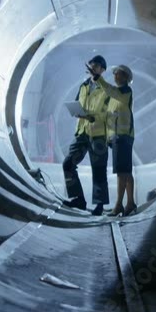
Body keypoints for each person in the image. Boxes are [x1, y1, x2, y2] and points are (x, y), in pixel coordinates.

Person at [62, 55, 112, 214]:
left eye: (96, 66)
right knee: (68, 164)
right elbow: (78, 103)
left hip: (98, 134)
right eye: (91, 64)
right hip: (82, 132)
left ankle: (99, 206)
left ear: (103, 70)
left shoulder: (107, 89)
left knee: (99, 170)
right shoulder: (83, 86)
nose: (92, 67)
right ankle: (78, 199)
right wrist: (77, 112)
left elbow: (112, 112)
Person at [93, 64, 137, 216]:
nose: (115, 76)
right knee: (127, 172)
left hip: (123, 136)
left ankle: (119, 205)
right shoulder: (116, 96)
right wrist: (109, 138)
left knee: (121, 173)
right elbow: (111, 117)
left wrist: (99, 79)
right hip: (119, 137)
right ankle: (130, 203)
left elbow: (110, 90)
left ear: (126, 77)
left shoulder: (125, 91)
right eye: (115, 74)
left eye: (118, 74)